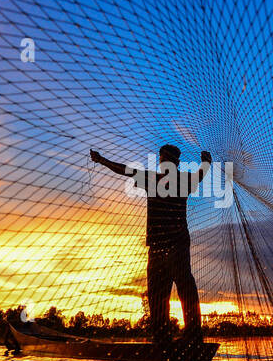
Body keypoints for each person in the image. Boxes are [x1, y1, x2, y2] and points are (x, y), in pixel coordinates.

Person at [90, 144, 211, 345]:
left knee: (175, 292)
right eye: (163, 160)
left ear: (171, 163)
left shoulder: (156, 179)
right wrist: (206, 162)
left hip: (170, 248)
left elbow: (124, 170)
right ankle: (176, 338)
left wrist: (102, 160)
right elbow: (200, 174)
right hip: (163, 249)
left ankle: (180, 338)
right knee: (164, 294)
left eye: (165, 160)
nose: (163, 163)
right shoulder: (176, 180)